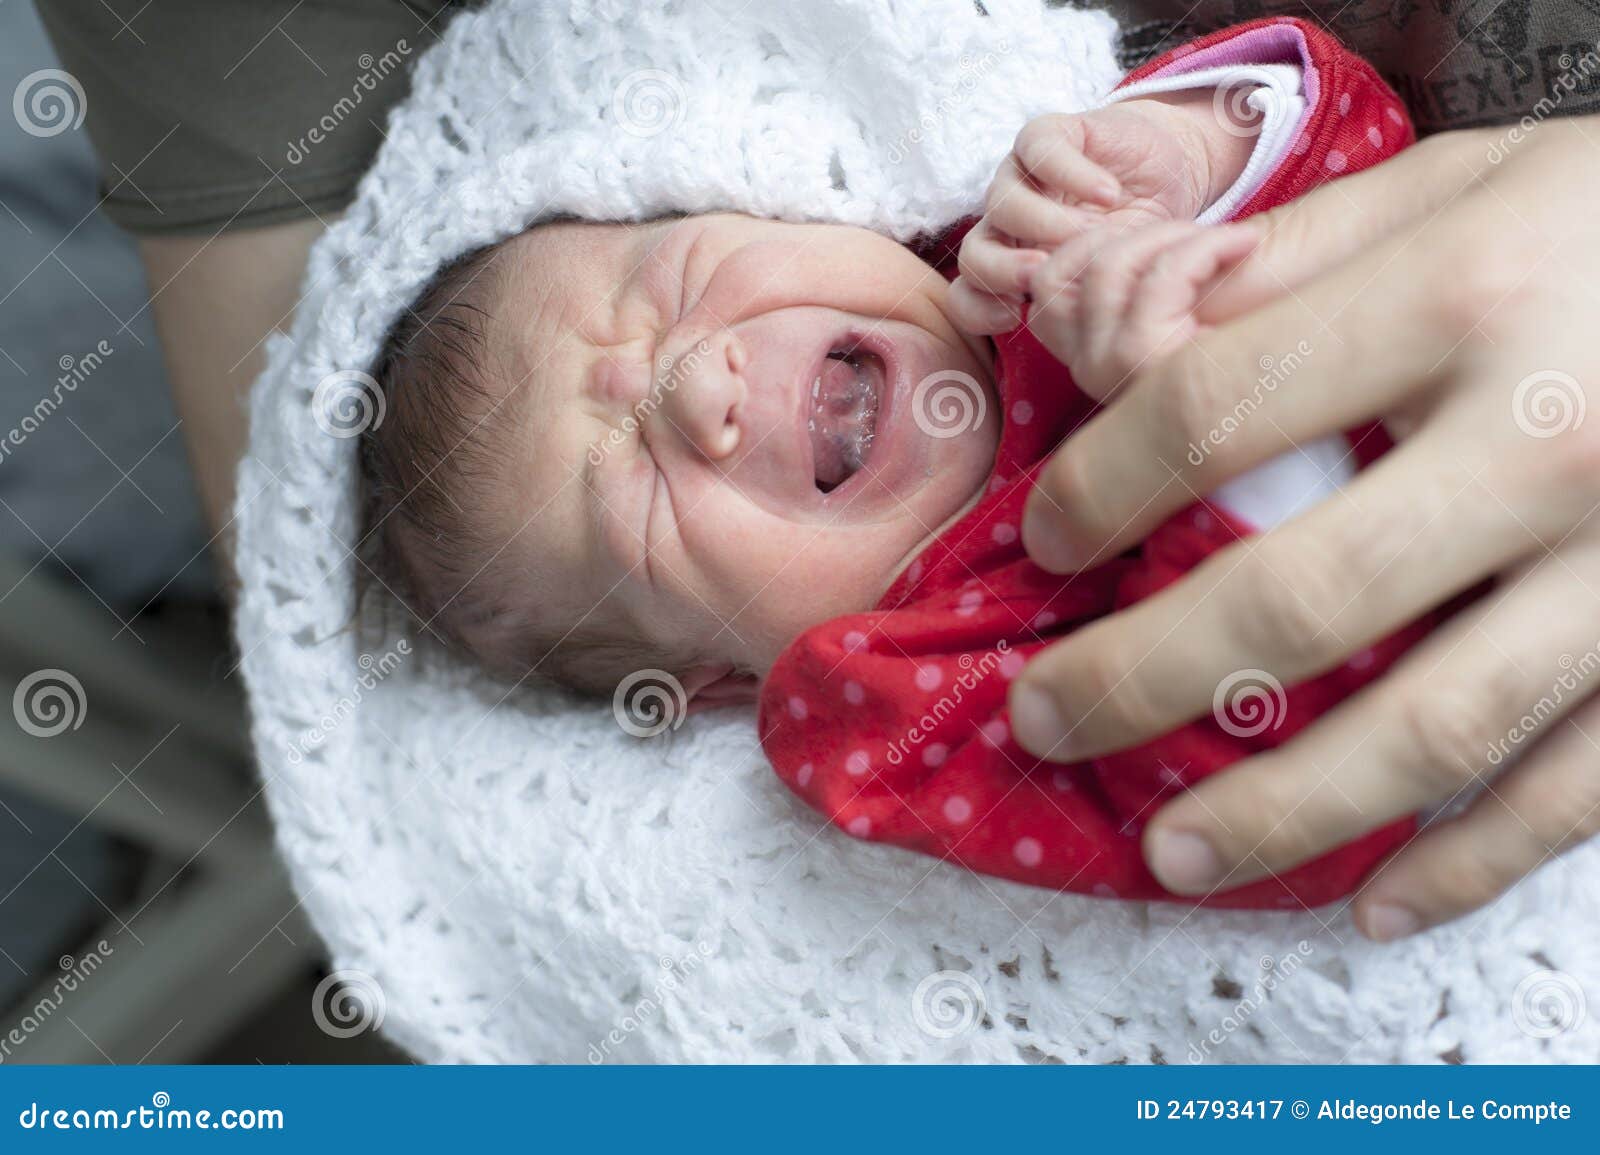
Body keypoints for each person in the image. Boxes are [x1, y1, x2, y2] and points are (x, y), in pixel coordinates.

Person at [36, 0, 1600, 940]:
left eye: (680, 280)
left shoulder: (1012, 252)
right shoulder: (890, 705)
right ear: (713, 686)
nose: (705, 383)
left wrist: (1194, 146)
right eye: (632, 487)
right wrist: (1230, 436)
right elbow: (1236, 821)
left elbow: (1355, 132)